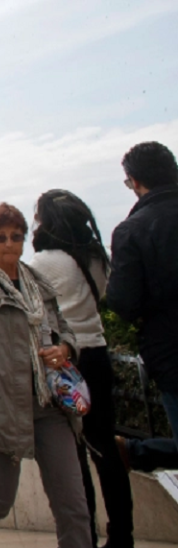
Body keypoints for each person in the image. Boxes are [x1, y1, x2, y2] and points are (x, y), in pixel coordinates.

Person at [0, 203, 94, 548]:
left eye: (16, 237)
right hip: (1, 407)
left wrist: (63, 349)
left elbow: (64, 329)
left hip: (49, 405)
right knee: (0, 498)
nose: (9, 245)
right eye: (0, 238)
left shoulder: (37, 282)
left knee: (72, 505)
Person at [31, 190, 138, 548]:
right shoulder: (95, 258)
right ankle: (122, 545)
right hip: (98, 355)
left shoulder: (43, 263)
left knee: (75, 459)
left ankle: (82, 547)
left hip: (66, 363)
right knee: (106, 452)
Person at [108, 141, 178, 476]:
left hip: (171, 351)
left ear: (135, 182)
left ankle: (138, 451)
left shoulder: (131, 232)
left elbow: (123, 302)